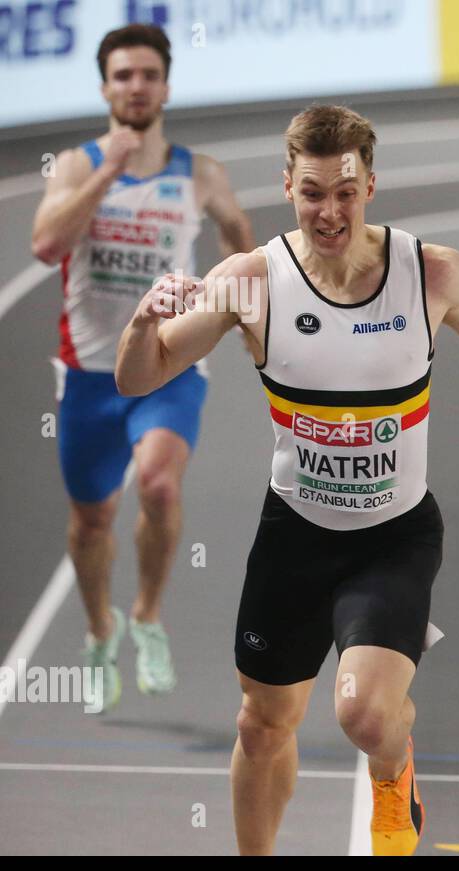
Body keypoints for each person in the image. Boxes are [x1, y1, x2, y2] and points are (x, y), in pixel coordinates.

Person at [115, 104, 459, 856]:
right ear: (287, 186)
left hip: (393, 538)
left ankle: (395, 773)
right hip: (293, 534)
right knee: (261, 724)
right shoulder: (251, 282)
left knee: (363, 713)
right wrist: (140, 323)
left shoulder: (433, 271)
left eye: (346, 193)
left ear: (371, 187)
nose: (330, 212)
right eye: (313, 193)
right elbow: (142, 374)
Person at [29, 24, 254, 710]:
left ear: (165, 85)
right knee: (92, 519)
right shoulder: (74, 164)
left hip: (166, 363)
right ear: (104, 87)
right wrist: (107, 171)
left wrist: (240, 309)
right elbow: (44, 244)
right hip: (91, 374)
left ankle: (149, 616)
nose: (136, 86)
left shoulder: (199, 172)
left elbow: (239, 236)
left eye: (148, 74)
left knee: (158, 486)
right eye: (123, 75)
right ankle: (101, 630)